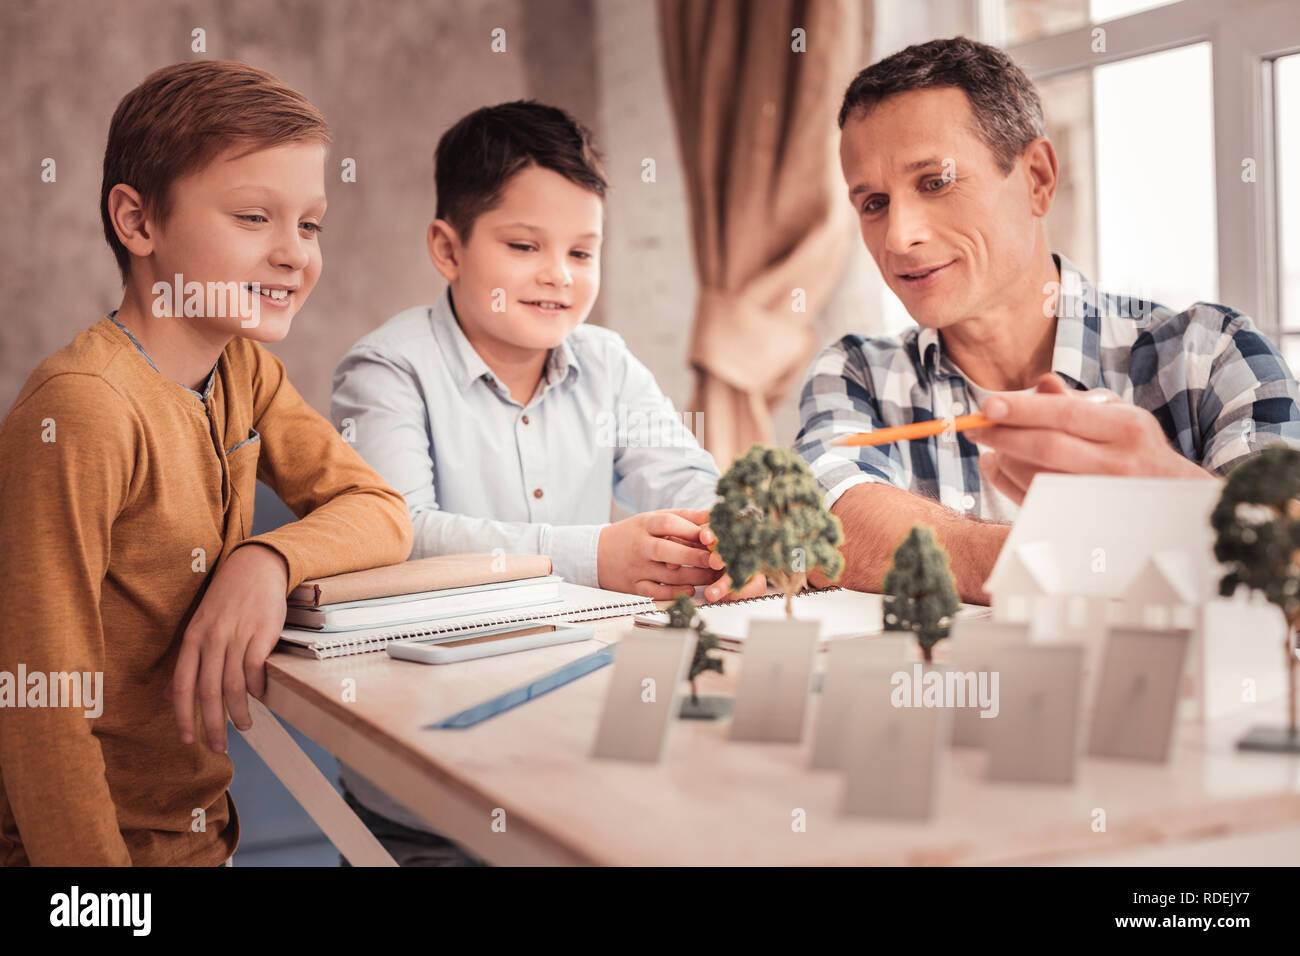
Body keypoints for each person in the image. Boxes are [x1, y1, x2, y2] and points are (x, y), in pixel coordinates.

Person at [0, 61, 413, 865]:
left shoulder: (245, 372)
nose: (294, 254)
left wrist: (266, 559)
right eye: (255, 217)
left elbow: (379, 508)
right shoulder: (81, 410)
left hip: (202, 840)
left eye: (310, 224)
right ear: (138, 221)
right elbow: (38, 706)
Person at [330, 100, 762, 865]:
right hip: (427, 780)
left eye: (583, 252)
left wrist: (725, 525)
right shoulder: (388, 369)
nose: (558, 277)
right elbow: (398, 535)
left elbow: (685, 478)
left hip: (577, 753)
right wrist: (594, 557)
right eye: (525, 245)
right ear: (447, 247)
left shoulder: (607, 363)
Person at [794, 36, 1300, 603]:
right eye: (873, 203)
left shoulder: (1213, 355)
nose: (899, 236)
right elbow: (828, 516)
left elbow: (1291, 561)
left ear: (1037, 178)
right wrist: (1098, 554)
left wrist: (1171, 494)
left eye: (936, 182)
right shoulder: (855, 371)